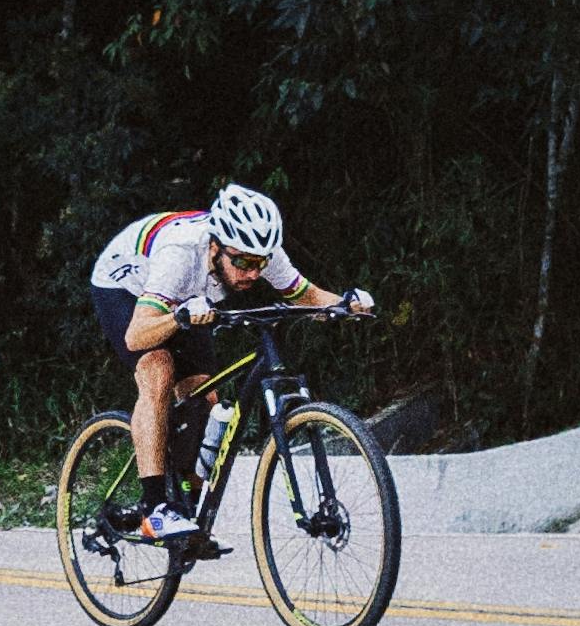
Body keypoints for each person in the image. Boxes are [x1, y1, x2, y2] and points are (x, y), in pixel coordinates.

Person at [90, 184, 374, 540]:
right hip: (127, 289)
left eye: (260, 263)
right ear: (214, 247)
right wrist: (178, 318)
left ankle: (189, 514)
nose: (253, 273)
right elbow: (137, 335)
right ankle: (155, 509)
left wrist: (346, 304)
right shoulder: (180, 255)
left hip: (190, 297)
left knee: (205, 400)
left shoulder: (256, 249)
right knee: (158, 371)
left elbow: (307, 295)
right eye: (242, 262)